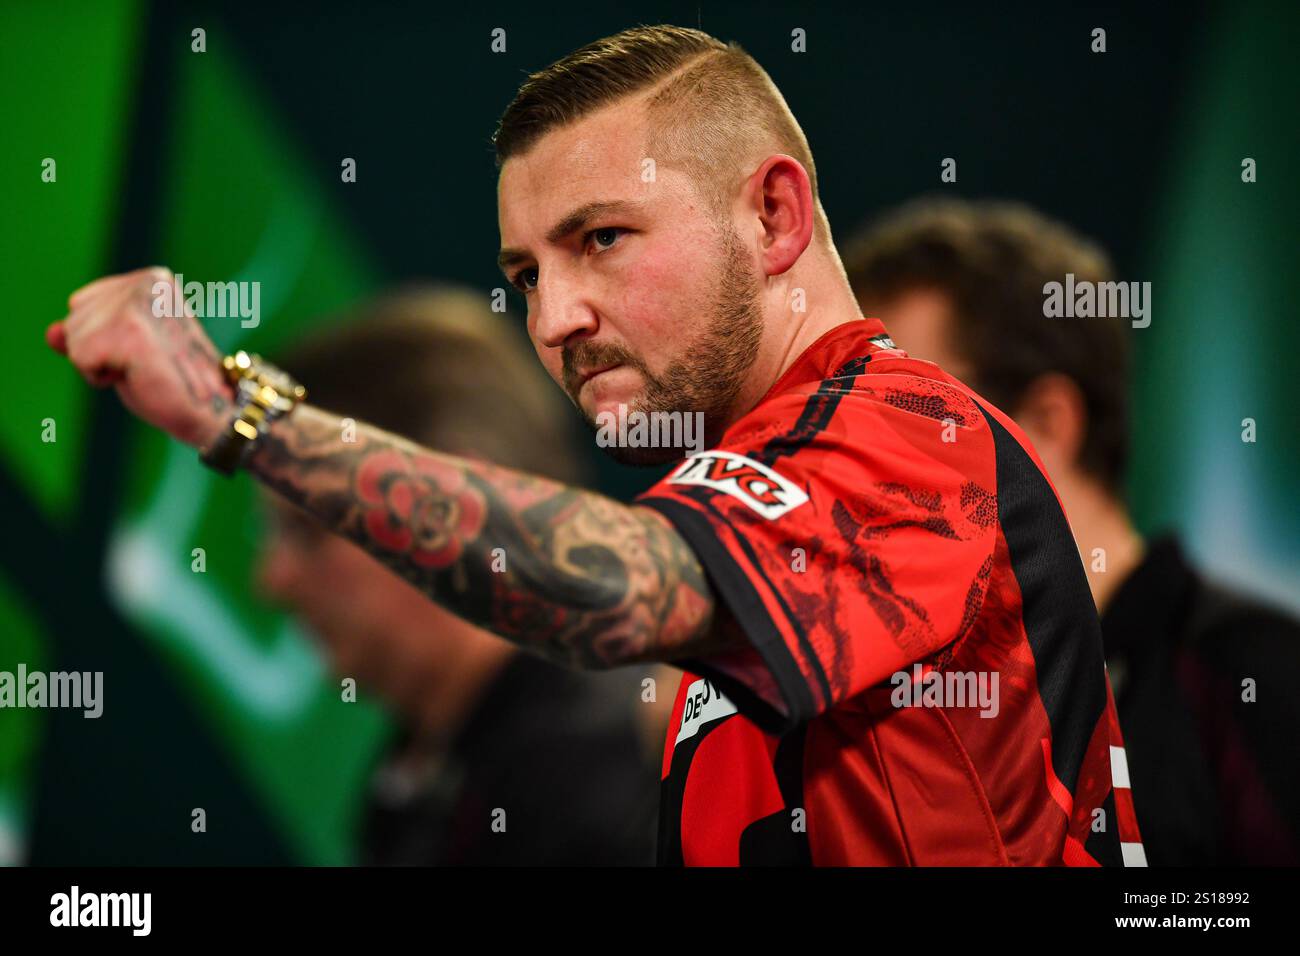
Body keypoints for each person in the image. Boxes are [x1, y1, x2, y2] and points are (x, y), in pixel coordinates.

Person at [47, 25, 1143, 865]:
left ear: (773, 217)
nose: (555, 317)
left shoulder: (902, 432)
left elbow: (624, 589)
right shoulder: (749, 484)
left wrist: (237, 410)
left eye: (601, 238)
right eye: (526, 274)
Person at [845, 198, 1300, 865]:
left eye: (908, 416)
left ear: (1048, 425)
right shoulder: (912, 707)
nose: (858, 472)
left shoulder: (1253, 672)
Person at [263, 286, 659, 865]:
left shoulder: (620, 766)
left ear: (452, 509)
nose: (273, 579)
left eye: (309, 530)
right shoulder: (409, 786)